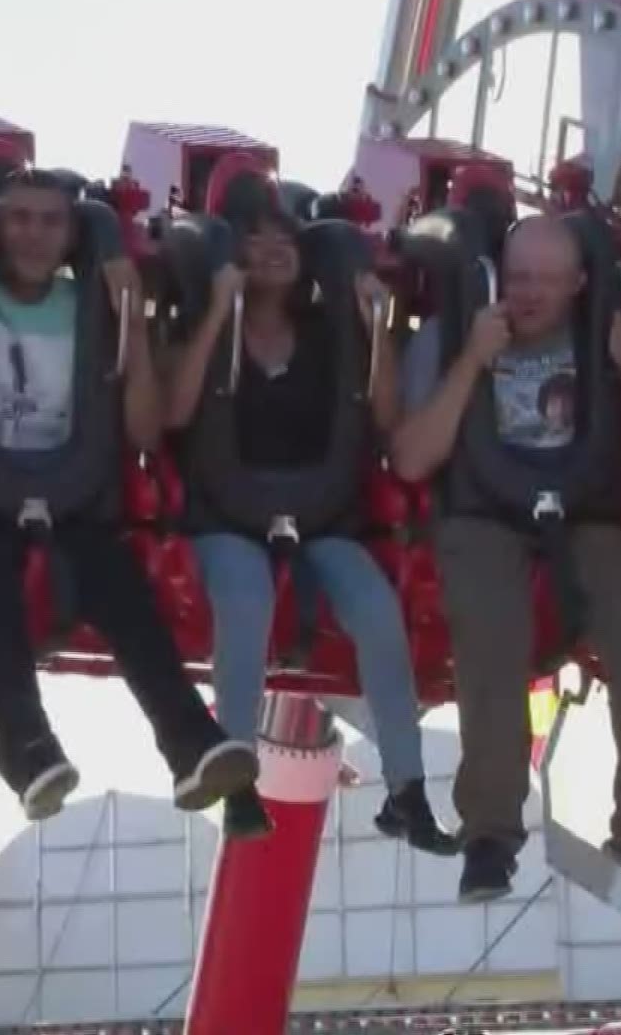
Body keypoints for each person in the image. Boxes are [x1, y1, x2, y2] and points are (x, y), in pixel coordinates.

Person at [0, 168, 257, 821]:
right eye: (19, 218)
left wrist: (133, 329)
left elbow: (144, 429)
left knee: (124, 592)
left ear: (72, 234)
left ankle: (191, 745)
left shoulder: (92, 306)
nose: (33, 234)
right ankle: (29, 754)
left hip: (71, 495)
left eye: (51, 221)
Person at [391, 214, 621, 904]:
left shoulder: (601, 345)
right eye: (518, 277)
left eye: (547, 282)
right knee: (489, 623)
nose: (529, 294)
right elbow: (411, 458)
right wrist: (473, 359)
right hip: (484, 516)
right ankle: (490, 831)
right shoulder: (451, 338)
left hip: (586, 517)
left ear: (581, 284)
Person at [162, 205, 456, 852]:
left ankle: (407, 791)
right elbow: (176, 410)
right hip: (228, 514)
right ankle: (237, 778)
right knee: (245, 601)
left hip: (321, 513)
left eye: (285, 238)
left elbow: (381, 415)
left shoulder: (328, 334)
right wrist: (217, 311)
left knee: (377, 610)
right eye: (256, 234)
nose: (273, 246)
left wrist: (375, 325)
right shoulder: (210, 327)